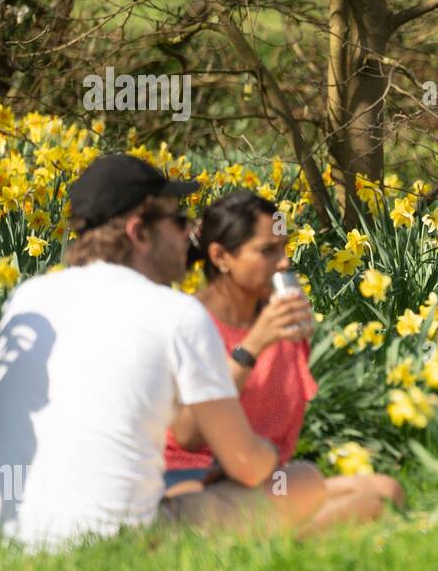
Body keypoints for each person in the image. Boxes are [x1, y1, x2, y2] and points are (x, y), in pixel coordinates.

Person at [0, 154, 396, 551]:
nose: (188, 233)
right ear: (139, 232)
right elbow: (246, 466)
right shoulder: (175, 313)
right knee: (301, 480)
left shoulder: (28, 298)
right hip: (115, 541)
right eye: (178, 219)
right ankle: (288, 537)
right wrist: (263, 454)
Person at [161, 190, 401, 525]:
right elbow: (189, 434)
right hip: (189, 480)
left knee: (383, 488)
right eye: (267, 250)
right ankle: (291, 530)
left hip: (263, 481)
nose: (285, 261)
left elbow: (278, 436)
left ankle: (280, 528)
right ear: (221, 256)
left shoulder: (279, 319)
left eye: (284, 246)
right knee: (336, 493)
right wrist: (253, 345)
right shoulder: (189, 320)